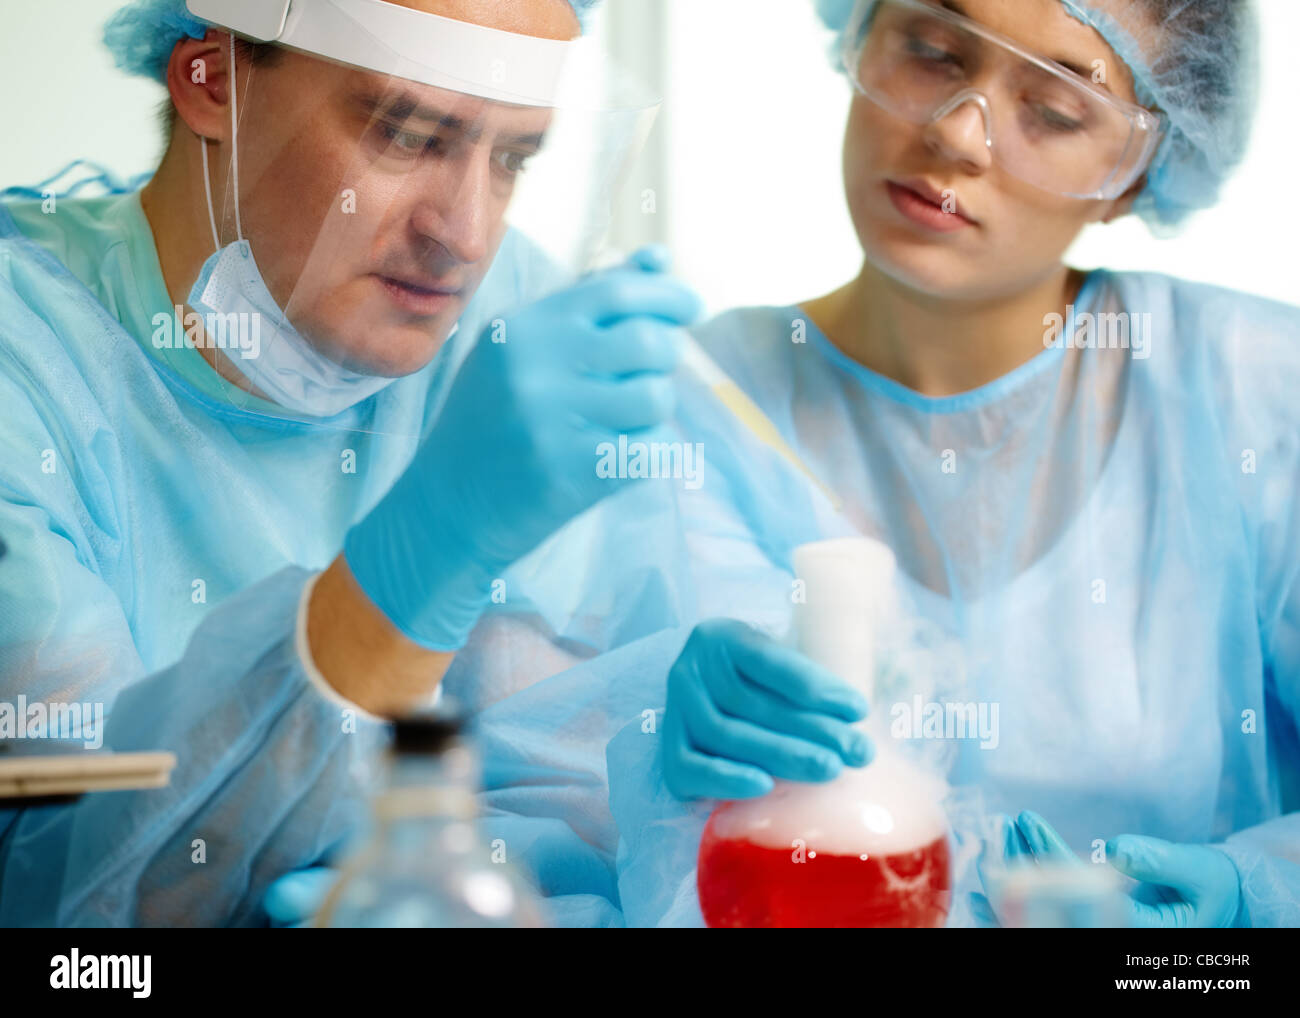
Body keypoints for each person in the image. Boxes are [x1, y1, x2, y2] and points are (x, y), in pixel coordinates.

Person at [0, 0, 702, 926]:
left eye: (513, 159)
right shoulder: (32, 371)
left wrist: (683, 773)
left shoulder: (508, 320)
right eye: (407, 134)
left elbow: (557, 799)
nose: (467, 234)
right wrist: (404, 573)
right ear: (211, 80)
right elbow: (63, 892)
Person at [615, 0, 1299, 927]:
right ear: (860, 32)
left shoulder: (1254, 390)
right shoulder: (695, 406)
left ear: (1137, 175)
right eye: (932, 52)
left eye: (1055, 109)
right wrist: (659, 765)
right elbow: (580, 842)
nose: (960, 133)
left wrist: (1245, 913)